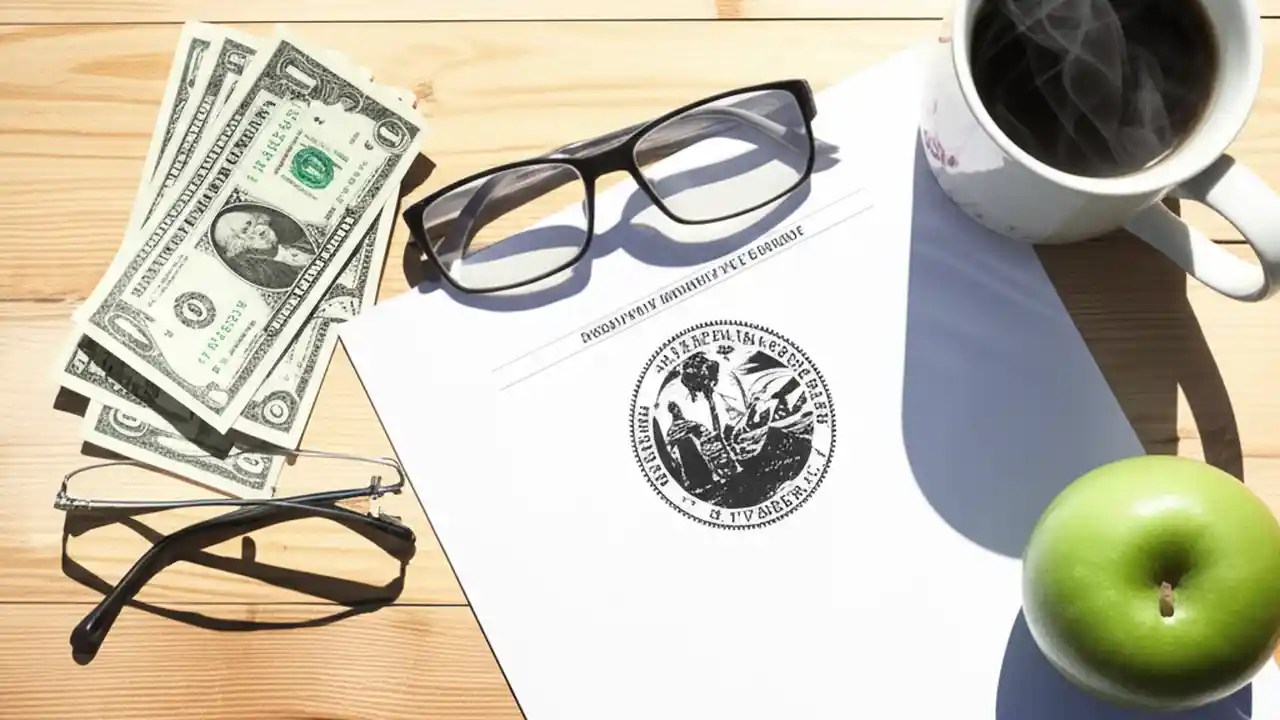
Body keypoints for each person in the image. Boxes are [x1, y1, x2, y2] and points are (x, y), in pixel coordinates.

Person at [211, 208, 315, 289]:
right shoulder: (268, 276)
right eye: (245, 231)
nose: (258, 230)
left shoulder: (299, 238)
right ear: (239, 248)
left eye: (252, 223)